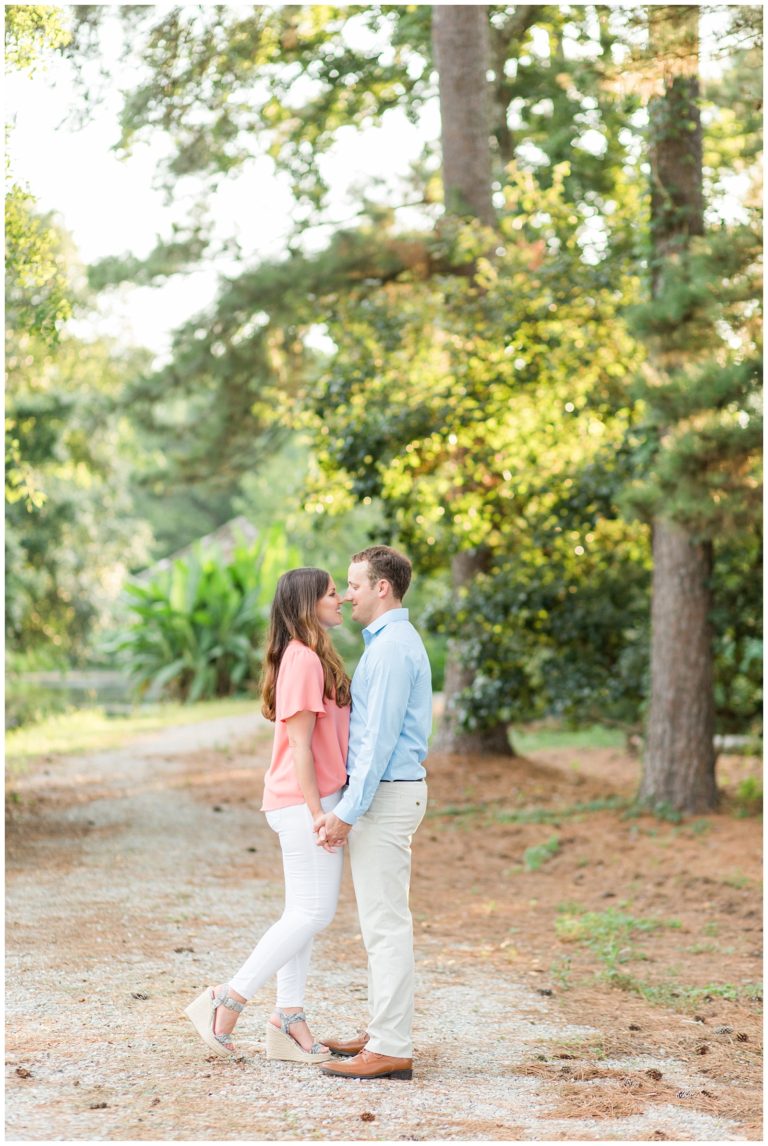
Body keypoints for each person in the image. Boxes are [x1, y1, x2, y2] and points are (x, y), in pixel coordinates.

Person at [184, 567, 351, 1064]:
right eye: (331, 593)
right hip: (305, 802)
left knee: (303, 914)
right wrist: (320, 811)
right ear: (307, 604)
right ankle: (227, 999)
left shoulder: (311, 654)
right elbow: (299, 746)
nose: (341, 599)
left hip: (310, 800)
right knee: (313, 912)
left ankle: (288, 1017)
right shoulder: (302, 660)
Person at [316, 545, 431, 1081]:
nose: (348, 593)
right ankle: (384, 1030)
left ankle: (391, 1045)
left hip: (384, 795)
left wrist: (347, 811)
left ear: (381, 587)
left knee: (385, 926)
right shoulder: (390, 643)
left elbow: (377, 744)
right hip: (387, 794)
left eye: (354, 584)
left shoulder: (389, 650)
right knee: (381, 922)